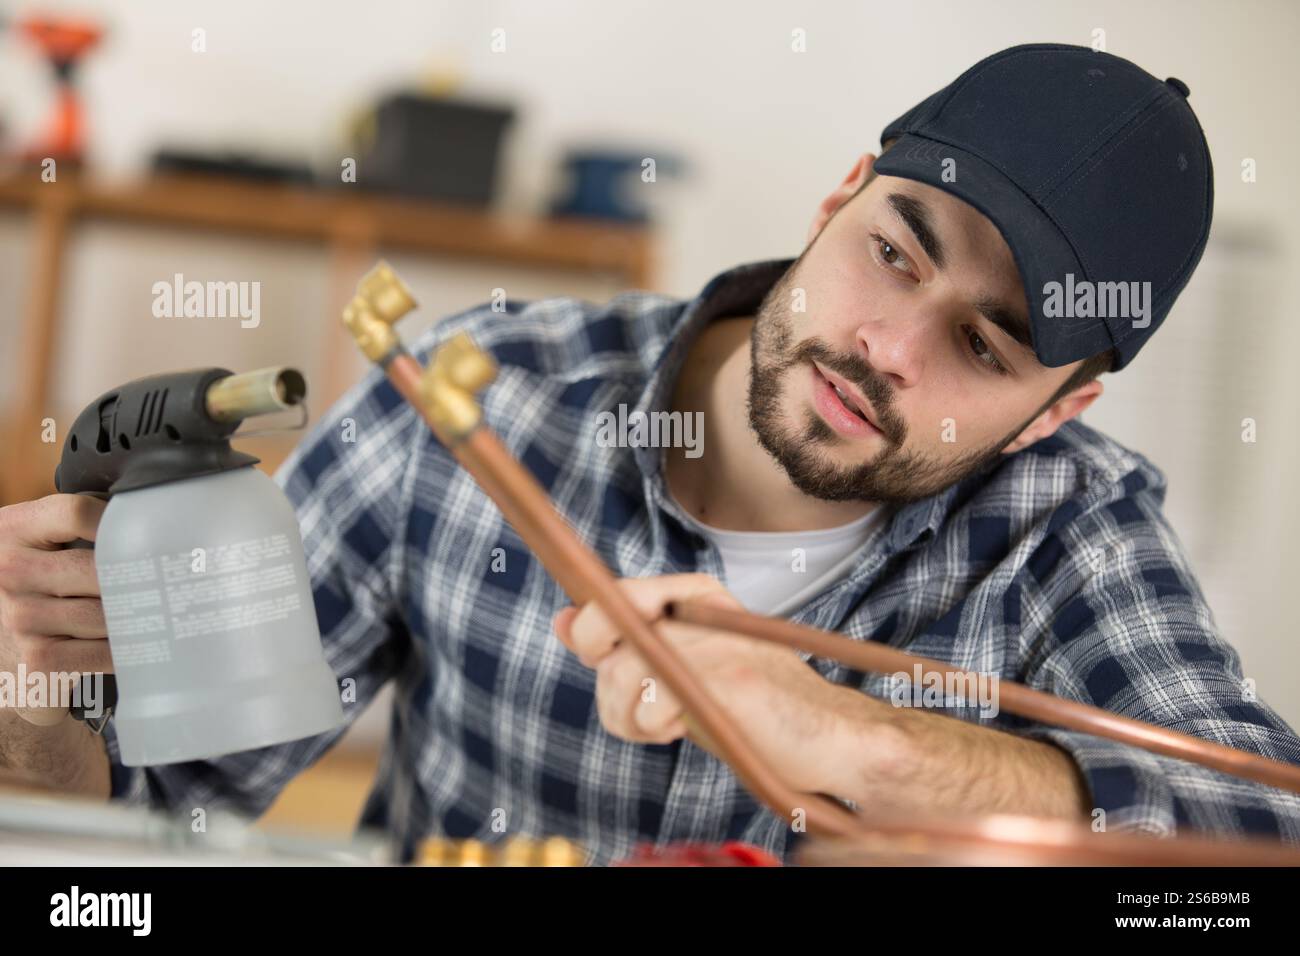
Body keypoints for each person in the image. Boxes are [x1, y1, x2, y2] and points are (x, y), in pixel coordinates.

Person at [3, 43, 1297, 865]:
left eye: (987, 345)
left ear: (1059, 409)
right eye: (894, 252)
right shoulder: (479, 395)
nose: (889, 348)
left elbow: (1264, 831)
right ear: (838, 194)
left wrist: (868, 750)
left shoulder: (1070, 525)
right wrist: (33, 701)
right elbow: (148, 804)